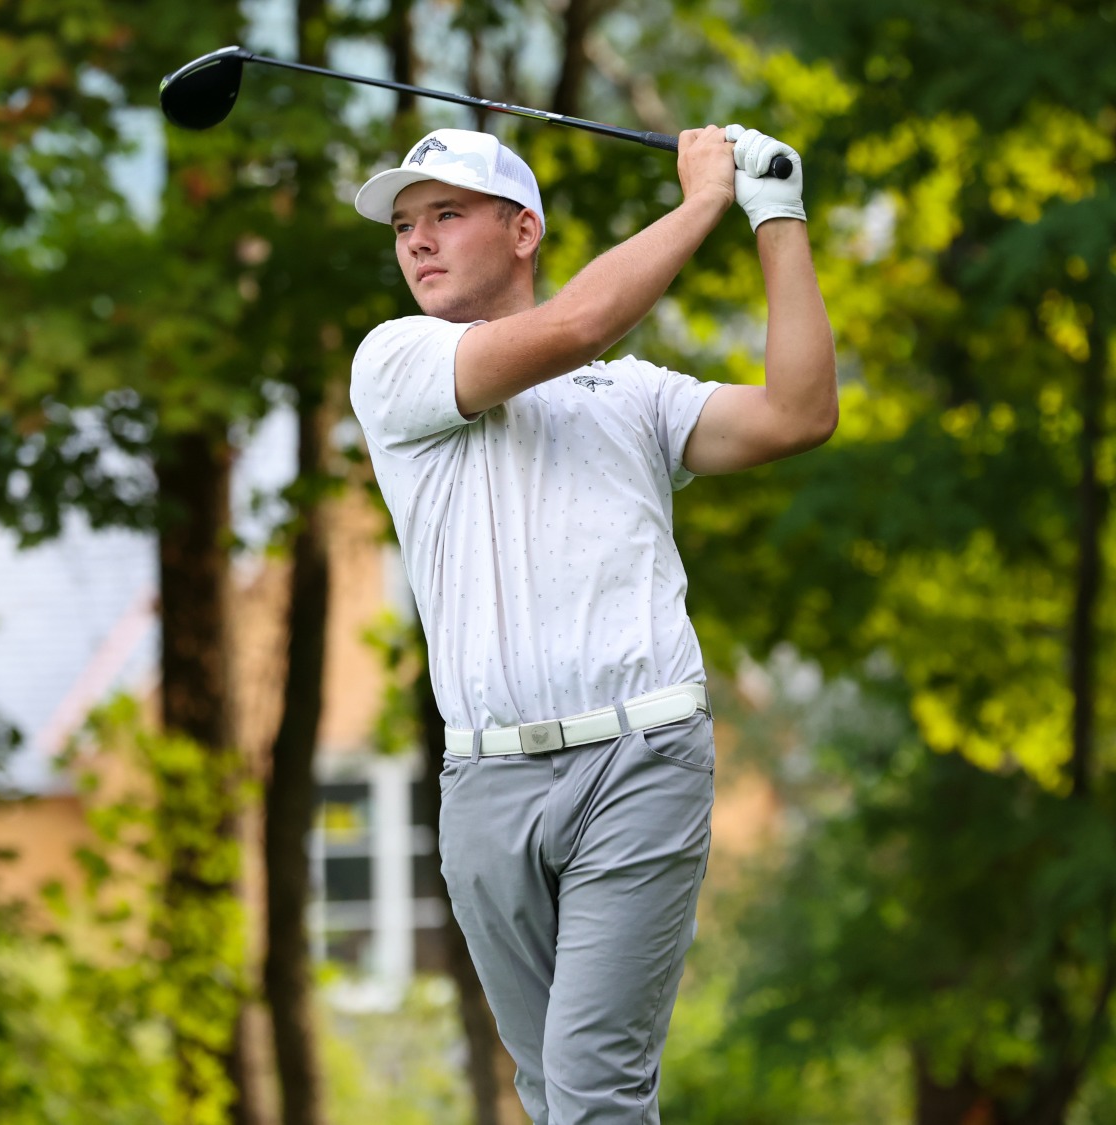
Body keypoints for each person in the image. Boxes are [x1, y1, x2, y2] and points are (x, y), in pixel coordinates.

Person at [347, 123, 836, 1123]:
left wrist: (770, 212)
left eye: (446, 214)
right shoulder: (396, 363)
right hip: (484, 787)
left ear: (522, 229)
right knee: (559, 1096)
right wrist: (697, 200)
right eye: (404, 224)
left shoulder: (637, 398)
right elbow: (570, 327)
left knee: (590, 1092)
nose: (417, 242)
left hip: (638, 763)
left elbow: (798, 411)